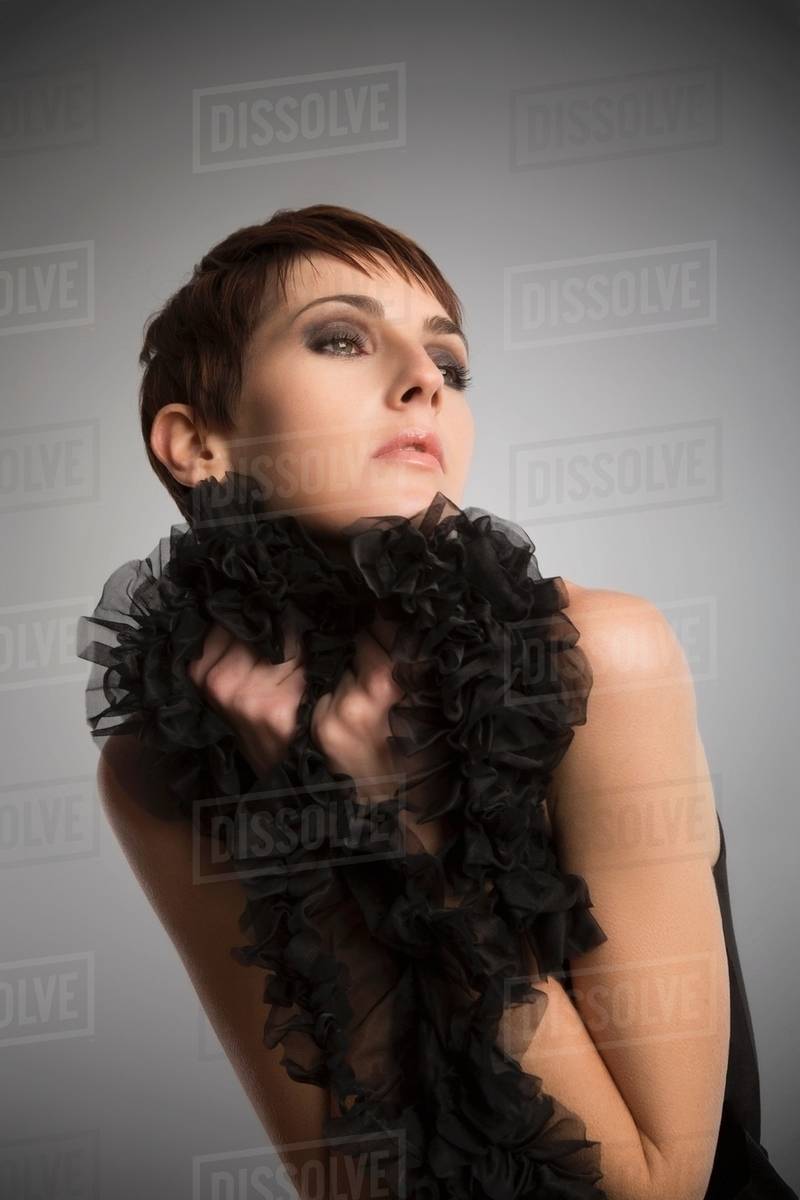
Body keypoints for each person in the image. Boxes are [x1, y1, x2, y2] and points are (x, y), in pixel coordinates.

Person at [76, 204, 797, 1200]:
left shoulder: (598, 656)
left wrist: (406, 842)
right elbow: (350, 1182)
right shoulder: (161, 763)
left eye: (449, 366)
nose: (424, 382)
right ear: (198, 445)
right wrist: (305, 814)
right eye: (339, 338)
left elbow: (654, 1187)